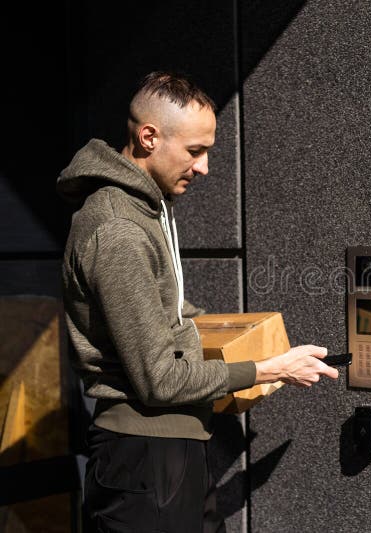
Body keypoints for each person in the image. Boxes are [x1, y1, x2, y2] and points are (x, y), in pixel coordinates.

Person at [56, 71, 339, 532]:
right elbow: (159, 380)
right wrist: (271, 370)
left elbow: (173, 315)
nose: (204, 166)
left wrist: (259, 348)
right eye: (194, 151)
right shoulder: (119, 230)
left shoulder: (145, 212)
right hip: (145, 461)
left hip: (169, 456)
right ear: (149, 137)